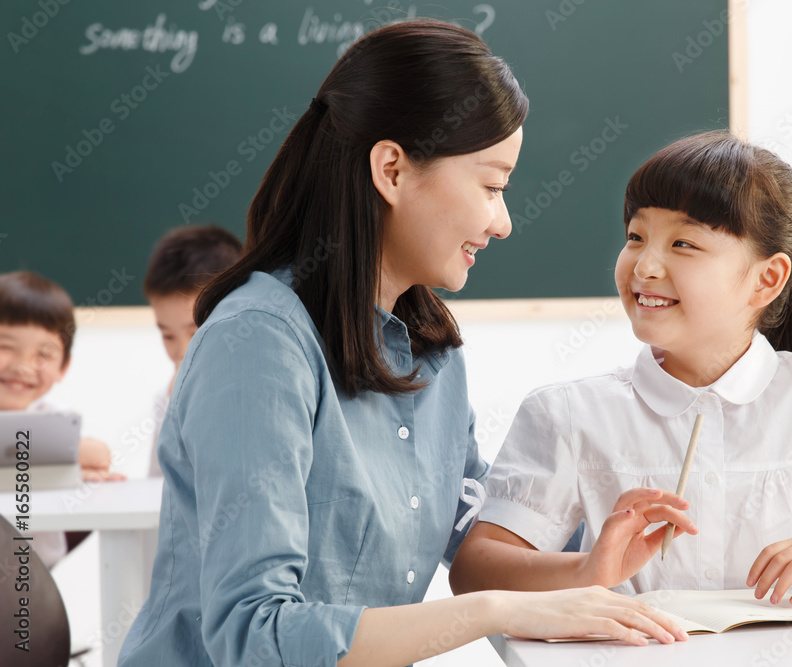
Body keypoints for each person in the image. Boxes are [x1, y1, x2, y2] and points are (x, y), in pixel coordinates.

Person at [117, 21, 687, 667]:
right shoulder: (258, 343)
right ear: (392, 169)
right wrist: (495, 612)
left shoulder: (430, 348)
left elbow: (469, 535)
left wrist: (588, 563)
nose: (503, 222)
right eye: (493, 186)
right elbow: (253, 634)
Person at [450, 131, 792, 606]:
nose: (645, 265)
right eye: (636, 236)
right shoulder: (566, 413)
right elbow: (474, 570)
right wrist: (589, 568)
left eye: (683, 244)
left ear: (766, 280)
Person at [0, 271, 124, 567]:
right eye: (5, 347)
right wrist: (56, 462)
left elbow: (98, 454)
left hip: (34, 575)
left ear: (63, 366)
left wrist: (70, 469)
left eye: (43, 354)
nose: (23, 366)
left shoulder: (52, 415)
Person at [142, 225, 242, 476]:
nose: (183, 352)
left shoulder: (257, 389)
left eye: (197, 332)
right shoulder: (168, 397)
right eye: (167, 335)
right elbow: (160, 487)